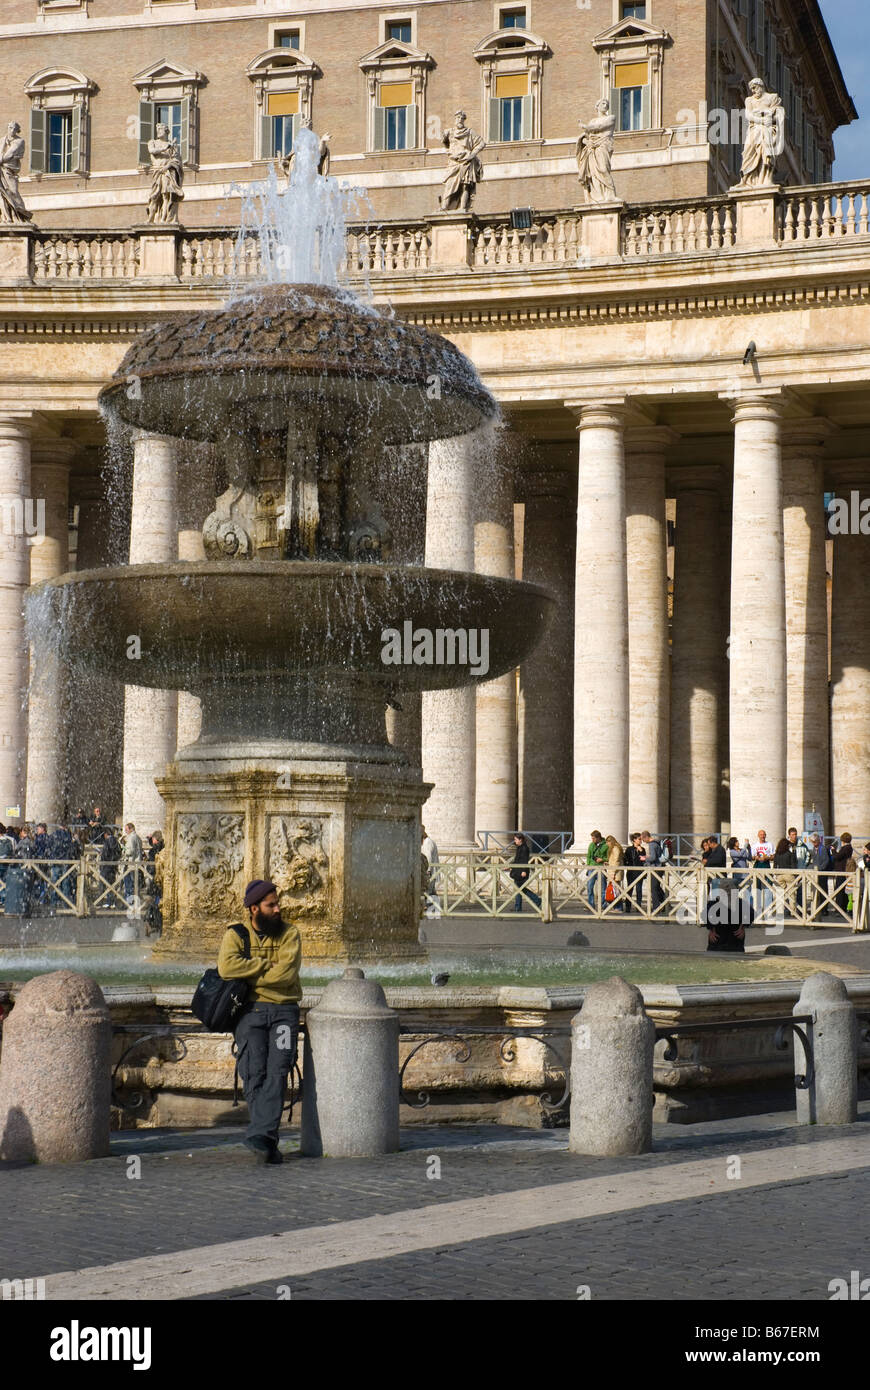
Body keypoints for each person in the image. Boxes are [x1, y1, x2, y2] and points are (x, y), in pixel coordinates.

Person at [218, 879, 302, 1164]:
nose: (278, 909)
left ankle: (261, 1135)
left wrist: (249, 971)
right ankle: (266, 1140)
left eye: (278, 903)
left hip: (284, 1014)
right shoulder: (236, 935)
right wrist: (267, 965)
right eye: (271, 905)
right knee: (254, 1073)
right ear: (254, 908)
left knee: (278, 1070)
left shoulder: (290, 934)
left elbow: (287, 975)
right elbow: (227, 967)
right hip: (251, 1013)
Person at [739, 78, 784, 188]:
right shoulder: (749, 100)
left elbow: (778, 113)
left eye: (754, 88)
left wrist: (766, 115)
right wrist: (762, 119)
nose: (753, 91)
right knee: (748, 151)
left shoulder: (772, 98)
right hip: (755, 129)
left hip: (767, 130)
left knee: (766, 153)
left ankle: (766, 179)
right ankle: (745, 179)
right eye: (751, 89)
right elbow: (748, 115)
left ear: (761, 86)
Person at [439, 110, 485, 212]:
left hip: (466, 161)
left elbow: (481, 143)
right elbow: (445, 143)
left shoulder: (469, 132)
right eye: (458, 117)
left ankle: (463, 208)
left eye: (462, 118)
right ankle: (444, 206)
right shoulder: (450, 132)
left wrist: (472, 155)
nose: (460, 119)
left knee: (465, 185)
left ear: (464, 120)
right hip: (454, 162)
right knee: (450, 183)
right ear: (455, 119)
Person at [575, 98, 618, 204]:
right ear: (597, 107)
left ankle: (611, 194)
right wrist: (585, 141)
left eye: (607, 104)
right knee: (593, 174)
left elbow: (599, 127)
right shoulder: (592, 121)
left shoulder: (611, 118)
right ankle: (597, 197)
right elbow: (586, 136)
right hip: (592, 149)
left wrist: (584, 126)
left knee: (603, 169)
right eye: (603, 103)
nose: (605, 105)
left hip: (604, 145)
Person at [146, 122, 184, 224]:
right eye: (157, 128)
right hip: (157, 171)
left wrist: (167, 166)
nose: (158, 131)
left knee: (166, 196)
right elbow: (152, 151)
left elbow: (176, 160)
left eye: (160, 128)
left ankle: (164, 219)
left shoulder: (173, 146)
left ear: (166, 131)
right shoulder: (152, 142)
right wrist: (166, 147)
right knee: (154, 196)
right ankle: (151, 218)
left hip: (167, 172)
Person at [704, 884, 752, 953]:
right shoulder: (741, 904)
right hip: (721, 940)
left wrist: (742, 926)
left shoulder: (713, 904)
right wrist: (711, 929)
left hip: (733, 941)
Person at [0, 122, 32, 225]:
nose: (11, 130)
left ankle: (22, 215)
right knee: (2, 195)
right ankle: (7, 217)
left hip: (10, 171)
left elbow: (9, 154)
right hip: (1, 170)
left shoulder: (19, 141)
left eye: (14, 129)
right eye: (10, 128)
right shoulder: (2, 141)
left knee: (13, 192)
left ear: (17, 130)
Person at [510, 833, 542, 913]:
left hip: (521, 871)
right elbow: (517, 860)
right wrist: (511, 866)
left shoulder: (524, 848)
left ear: (520, 839)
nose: (515, 841)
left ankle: (536, 900)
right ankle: (519, 906)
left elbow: (524, 860)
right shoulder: (519, 847)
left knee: (520, 888)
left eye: (515, 839)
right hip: (518, 870)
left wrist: (524, 870)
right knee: (519, 888)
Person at [641, 831, 665, 913]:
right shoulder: (657, 843)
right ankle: (665, 904)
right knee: (657, 888)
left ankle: (656, 907)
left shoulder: (652, 844)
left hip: (655, 868)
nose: (643, 842)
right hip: (660, 867)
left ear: (646, 837)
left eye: (643, 840)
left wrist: (645, 858)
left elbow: (653, 857)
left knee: (653, 888)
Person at [121, 822, 144, 908]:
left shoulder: (131, 838)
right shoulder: (138, 837)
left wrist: (123, 848)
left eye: (126, 829)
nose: (125, 831)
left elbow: (130, 852)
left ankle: (129, 902)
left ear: (131, 829)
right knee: (135, 884)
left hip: (131, 863)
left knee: (128, 884)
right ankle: (135, 901)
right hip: (137, 863)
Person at [585, 830, 609, 911]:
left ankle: (603, 904)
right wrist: (588, 866)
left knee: (603, 888)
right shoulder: (591, 845)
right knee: (589, 887)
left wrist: (602, 859)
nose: (592, 840)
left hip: (601, 868)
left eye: (593, 838)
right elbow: (588, 856)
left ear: (598, 838)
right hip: (592, 868)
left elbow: (608, 857)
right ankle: (591, 905)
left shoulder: (606, 845)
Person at [831, 833, 855, 914]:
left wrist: (833, 850)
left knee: (839, 890)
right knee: (843, 890)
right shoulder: (848, 848)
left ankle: (839, 909)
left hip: (842, 870)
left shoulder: (846, 848)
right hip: (844, 870)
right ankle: (842, 907)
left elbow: (837, 857)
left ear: (843, 840)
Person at [604, 834, 627, 913]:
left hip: (615, 872)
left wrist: (613, 872)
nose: (607, 844)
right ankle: (616, 907)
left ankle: (619, 907)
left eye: (607, 842)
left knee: (616, 891)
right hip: (614, 871)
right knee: (615, 890)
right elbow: (614, 861)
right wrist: (608, 863)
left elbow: (616, 861)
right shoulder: (615, 848)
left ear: (611, 842)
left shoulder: (615, 848)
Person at [623, 832, 645, 913]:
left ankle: (638, 906)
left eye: (641, 839)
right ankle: (628, 906)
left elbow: (644, 859)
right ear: (634, 840)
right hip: (631, 872)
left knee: (639, 890)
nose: (641, 841)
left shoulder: (643, 849)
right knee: (630, 889)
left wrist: (641, 851)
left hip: (639, 872)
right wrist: (627, 865)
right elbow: (625, 859)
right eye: (639, 839)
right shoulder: (629, 849)